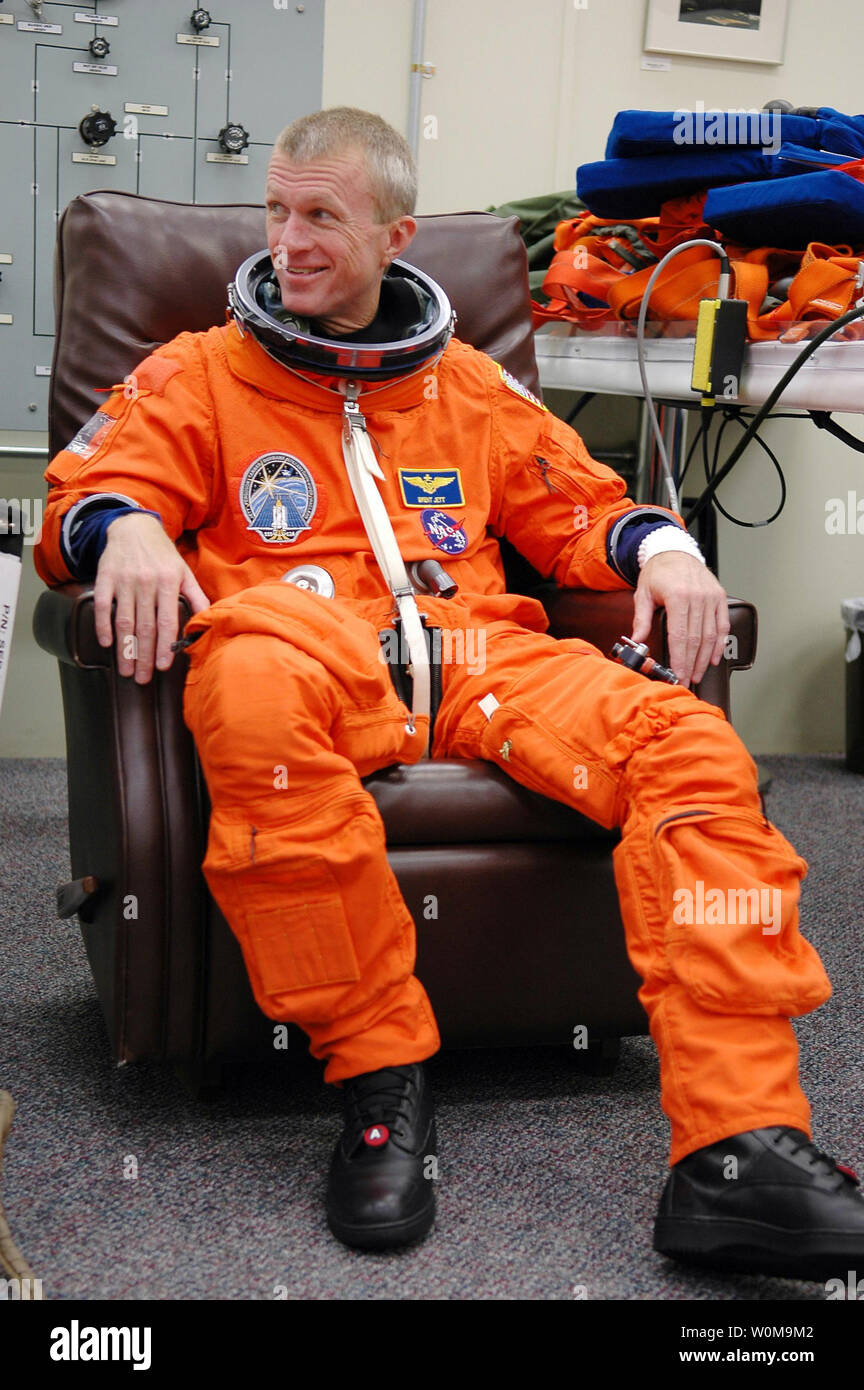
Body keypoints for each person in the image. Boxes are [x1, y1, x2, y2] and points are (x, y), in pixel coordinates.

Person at [35, 107, 864, 1274]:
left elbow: (579, 508)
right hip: (303, 649)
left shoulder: (467, 384)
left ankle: (738, 1149)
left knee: (692, 752)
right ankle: (379, 1084)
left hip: (481, 660)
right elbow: (94, 489)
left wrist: (665, 551)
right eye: (278, 210)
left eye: (322, 215)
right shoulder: (201, 373)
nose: (289, 240)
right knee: (247, 688)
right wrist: (120, 528)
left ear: (396, 235)